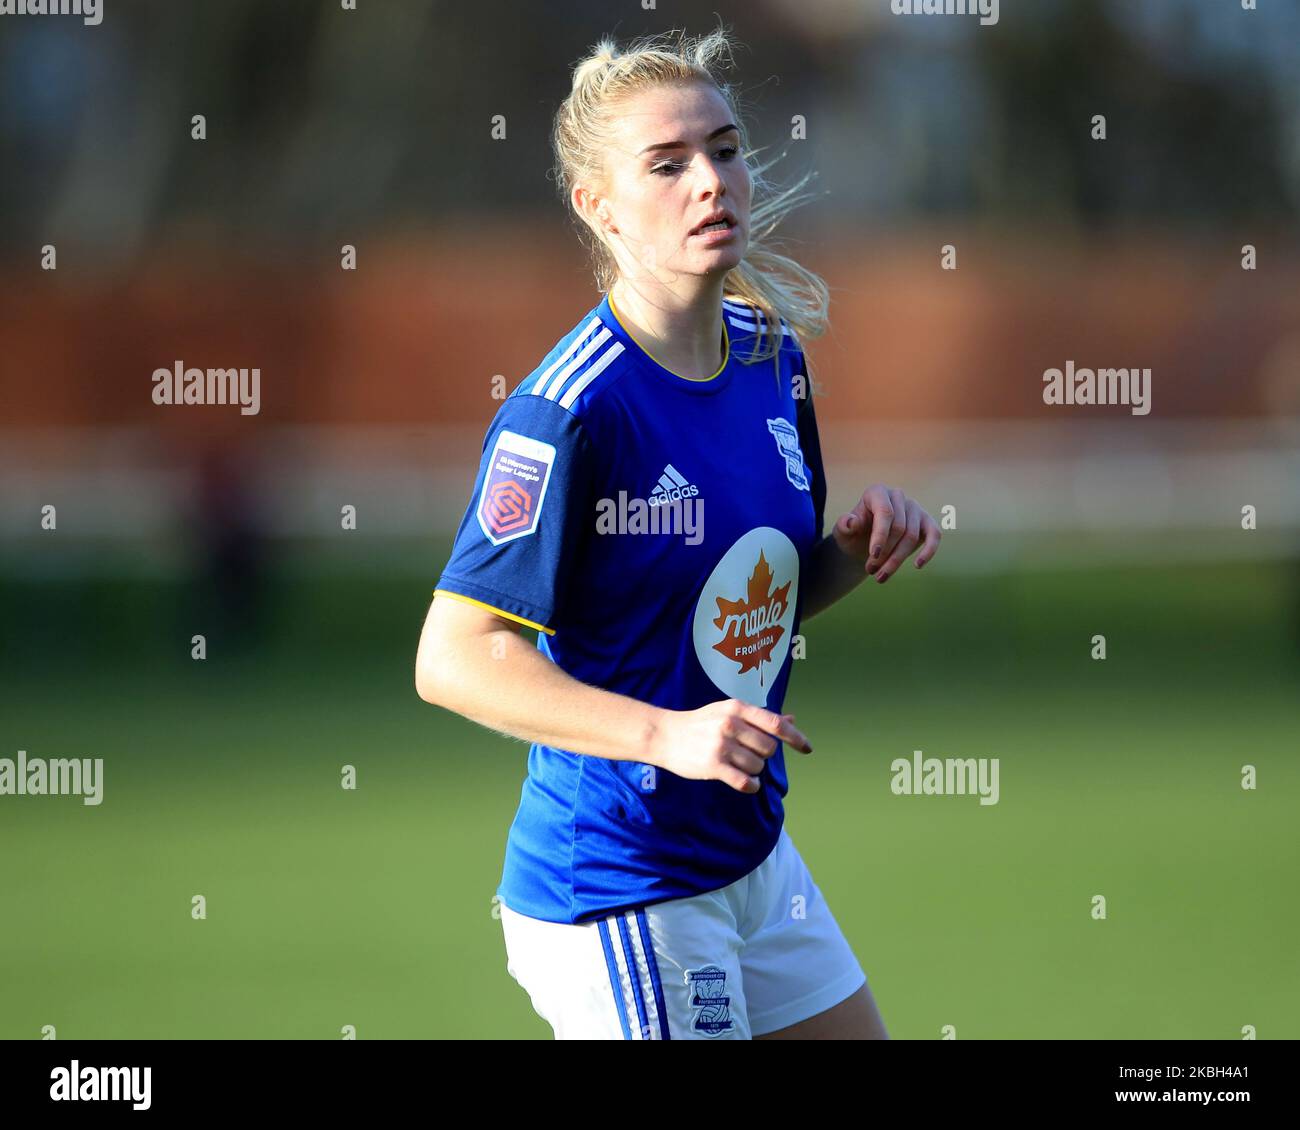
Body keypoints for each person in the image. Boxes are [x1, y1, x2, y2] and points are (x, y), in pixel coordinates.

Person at [414, 26, 941, 1040]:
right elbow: (452, 658)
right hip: (622, 882)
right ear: (597, 207)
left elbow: (733, 600)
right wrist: (670, 734)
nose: (711, 180)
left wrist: (848, 547)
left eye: (725, 149)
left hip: (749, 855)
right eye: (668, 164)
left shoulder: (766, 355)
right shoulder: (566, 411)